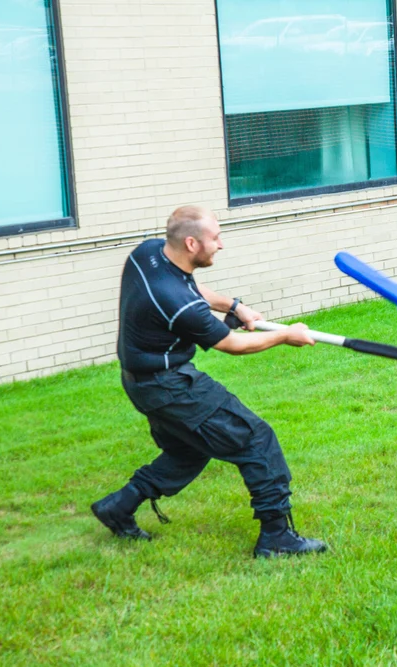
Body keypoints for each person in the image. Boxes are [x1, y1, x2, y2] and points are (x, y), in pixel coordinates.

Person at [91, 205, 327, 558]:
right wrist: (286, 335)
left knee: (190, 449)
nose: (221, 245)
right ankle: (277, 537)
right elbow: (232, 344)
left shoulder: (148, 253)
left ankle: (119, 506)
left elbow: (191, 287)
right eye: (215, 238)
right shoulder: (177, 302)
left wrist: (234, 306)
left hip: (141, 382)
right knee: (256, 440)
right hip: (169, 386)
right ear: (191, 243)